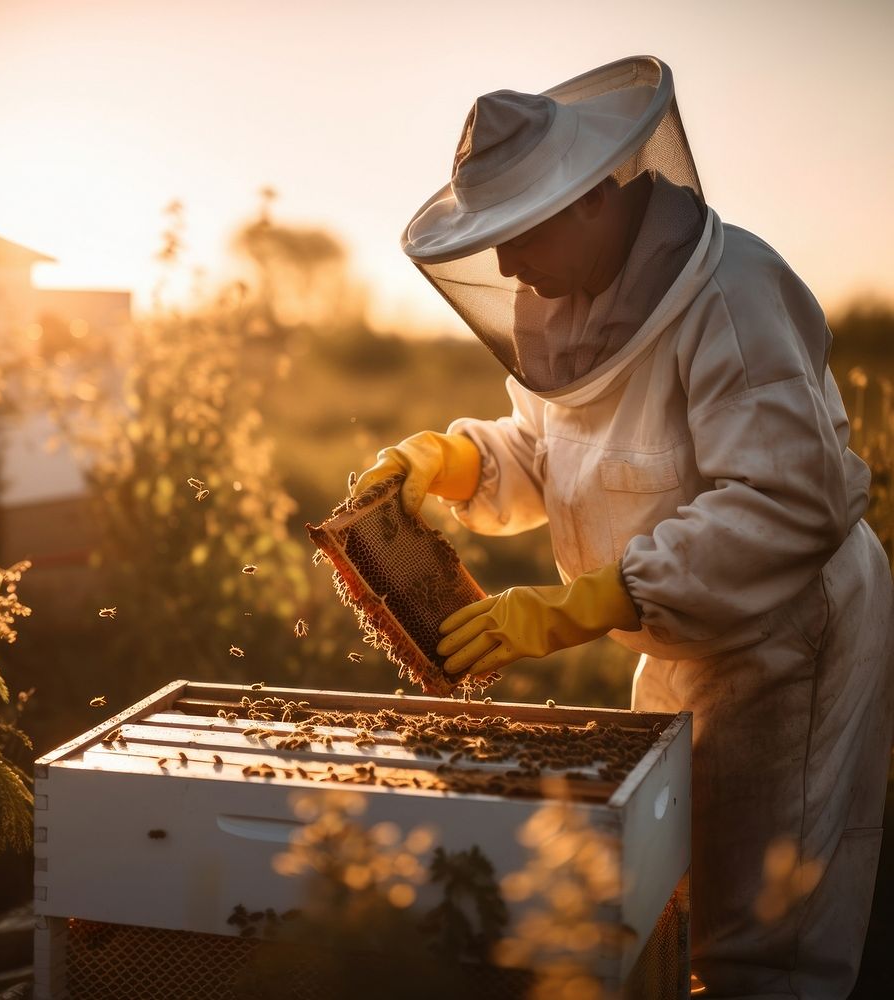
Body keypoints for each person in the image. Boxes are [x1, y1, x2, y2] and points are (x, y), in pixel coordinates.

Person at [353, 56, 894, 998]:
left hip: (788, 643)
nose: (508, 265)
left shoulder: (733, 291)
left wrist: (595, 601)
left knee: (764, 938)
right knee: (662, 891)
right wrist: (457, 459)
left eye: (519, 234)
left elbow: (787, 501)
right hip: (676, 637)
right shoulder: (567, 311)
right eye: (491, 243)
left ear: (597, 197)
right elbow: (546, 453)